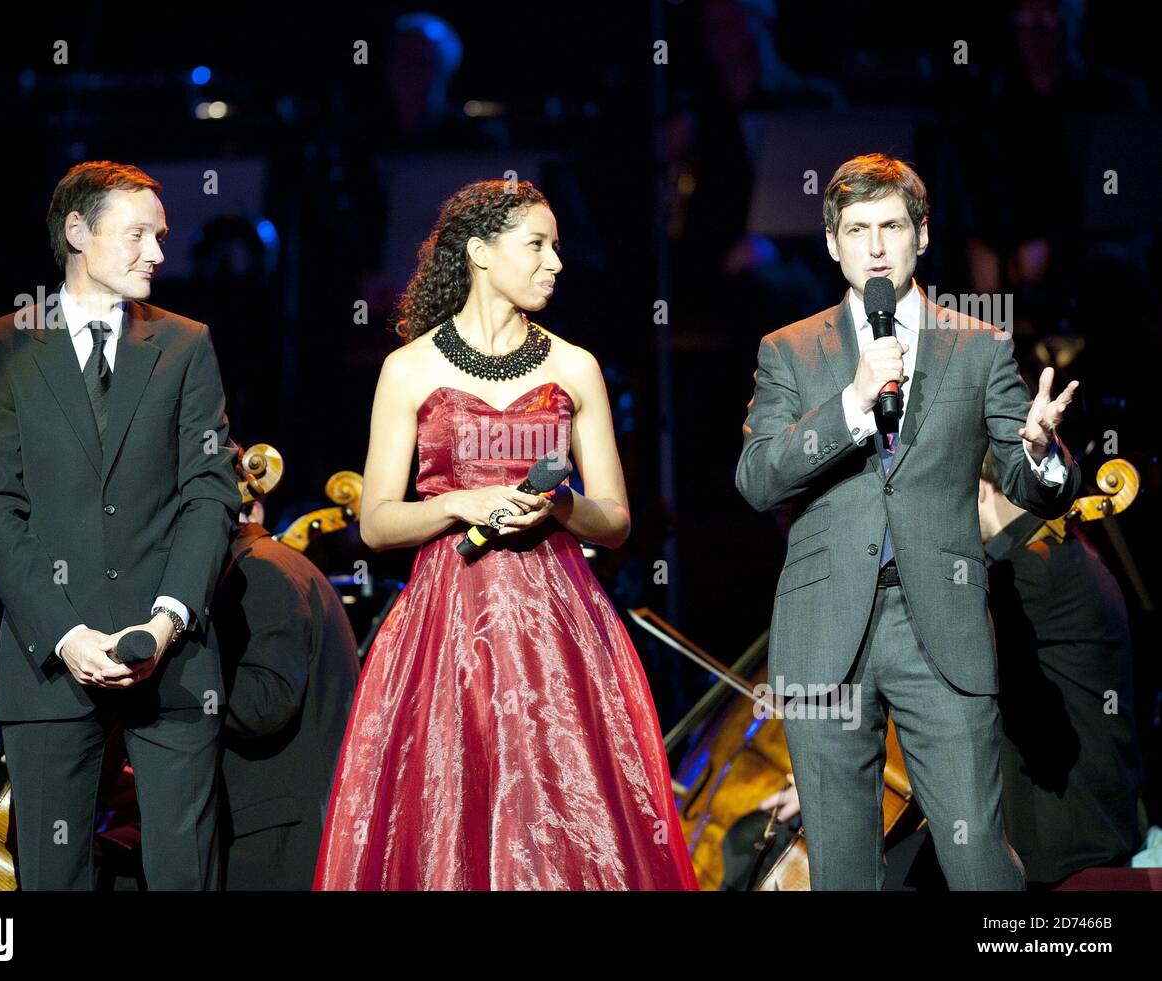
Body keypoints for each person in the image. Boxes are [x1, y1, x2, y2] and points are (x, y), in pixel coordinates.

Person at [314, 179, 697, 890]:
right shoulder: (408, 369)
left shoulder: (574, 365)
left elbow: (613, 521)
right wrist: (466, 502)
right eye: (538, 245)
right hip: (446, 624)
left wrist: (558, 506)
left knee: (562, 814)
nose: (556, 261)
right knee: (448, 808)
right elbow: (376, 520)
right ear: (482, 252)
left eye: (556, 246)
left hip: (559, 626)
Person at [734, 153, 1081, 890]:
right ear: (832, 243)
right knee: (844, 872)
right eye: (857, 229)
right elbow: (758, 477)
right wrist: (853, 406)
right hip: (824, 628)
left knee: (978, 858)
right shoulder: (789, 350)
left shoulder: (979, 344)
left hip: (941, 623)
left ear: (922, 234)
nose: (877, 246)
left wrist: (1044, 454)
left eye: (892, 225)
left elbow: (1029, 481)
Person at [0, 161, 240, 889]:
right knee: (54, 877)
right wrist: (66, 633)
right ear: (79, 232)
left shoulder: (186, 344)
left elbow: (210, 493)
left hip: (173, 659)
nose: (157, 253)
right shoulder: (2, 347)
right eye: (139, 235)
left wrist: (168, 619)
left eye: (161, 236)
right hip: (50, 660)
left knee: (184, 874)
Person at [978, 447, 1144, 885]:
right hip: (1089, 828)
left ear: (976, 491)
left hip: (1064, 846)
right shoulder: (1058, 553)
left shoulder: (1027, 572)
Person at [215, 454, 361, 890]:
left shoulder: (260, 570)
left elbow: (263, 703)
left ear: (250, 506)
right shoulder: (267, 565)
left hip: (270, 842)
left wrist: (171, 667)